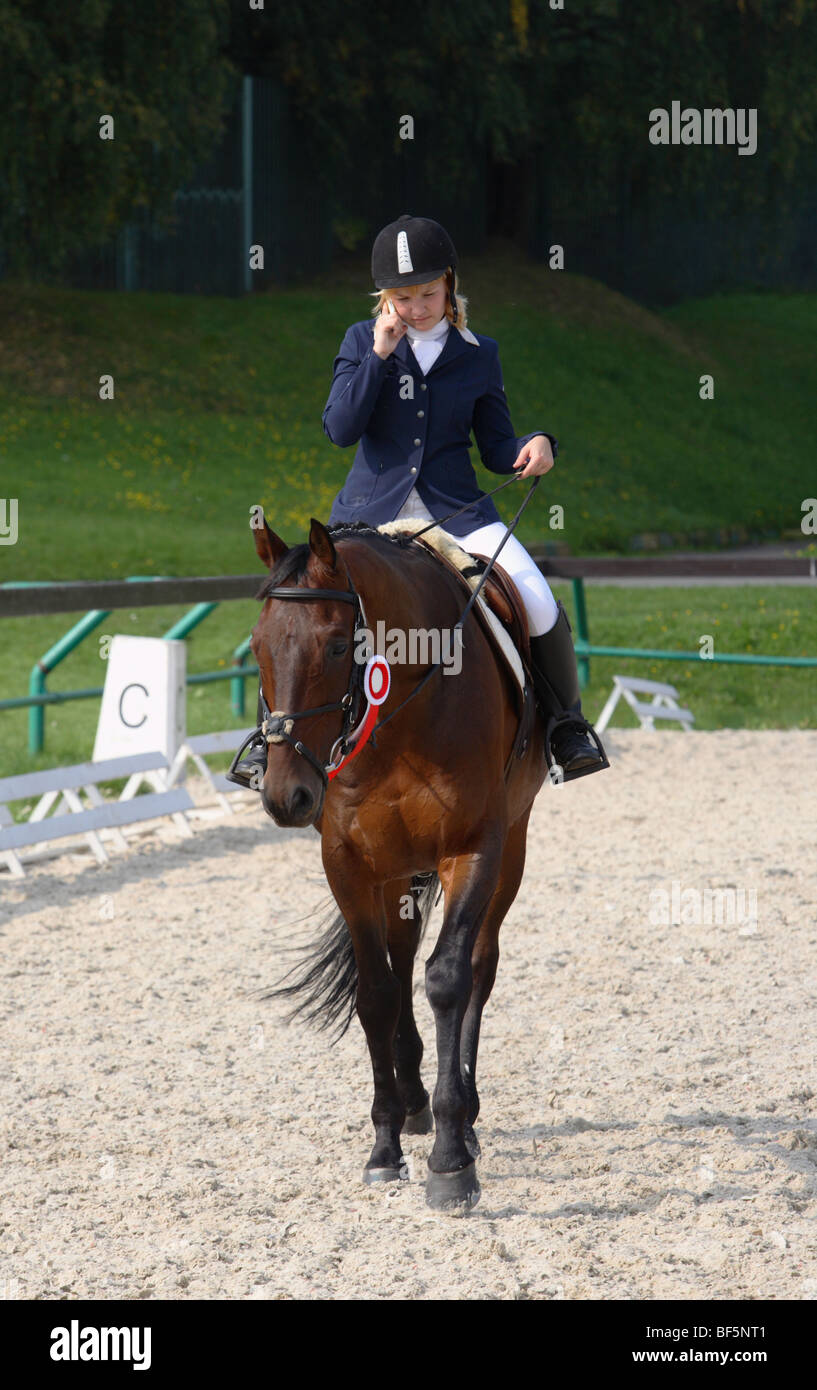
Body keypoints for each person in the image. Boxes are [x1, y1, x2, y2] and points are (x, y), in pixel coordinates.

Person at [228, 214, 605, 789]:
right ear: (385, 298)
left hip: (458, 514)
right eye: (403, 297)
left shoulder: (479, 354)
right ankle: (267, 739)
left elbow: (497, 445)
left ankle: (566, 729)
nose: (419, 307)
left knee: (538, 598)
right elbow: (340, 428)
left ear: (449, 284)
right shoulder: (361, 340)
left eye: (428, 293)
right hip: (368, 517)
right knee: (301, 616)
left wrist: (536, 444)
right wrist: (380, 356)